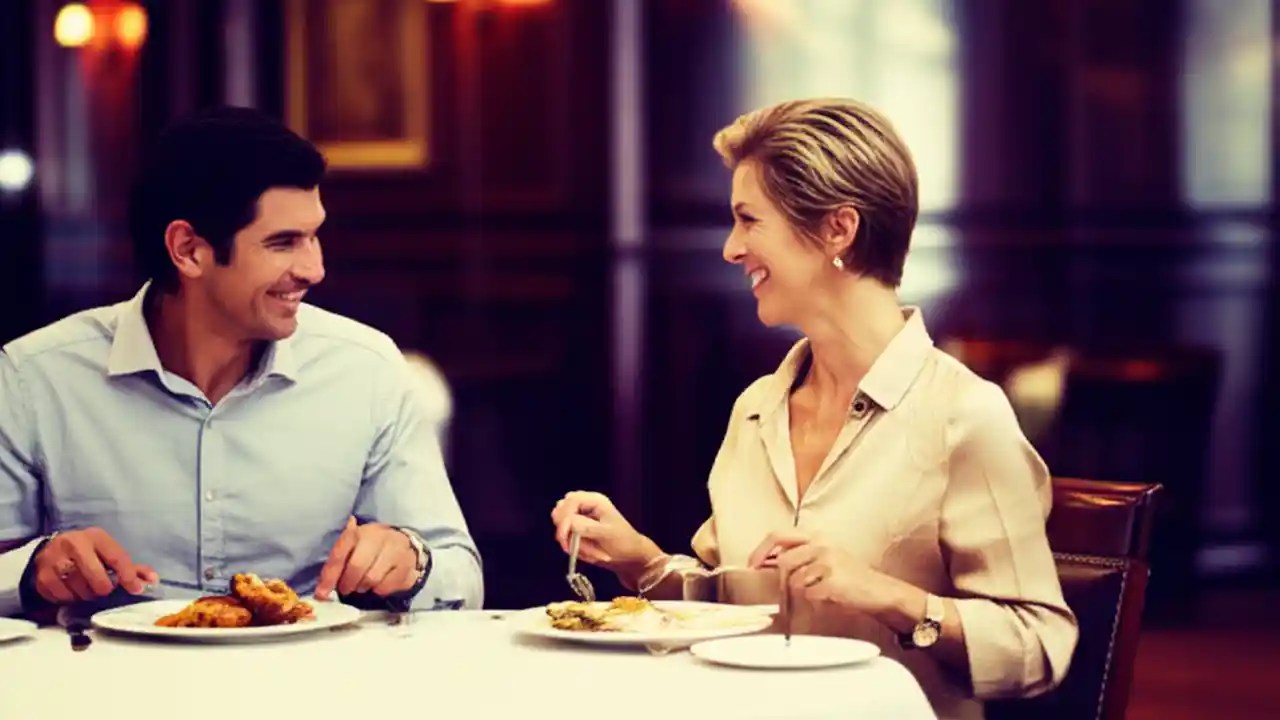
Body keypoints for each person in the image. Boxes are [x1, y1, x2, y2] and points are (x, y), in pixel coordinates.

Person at [551, 98, 1076, 719]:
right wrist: (642, 561)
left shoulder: (965, 415)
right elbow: (733, 602)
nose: (730, 248)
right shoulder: (757, 408)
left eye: (749, 221)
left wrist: (887, 597)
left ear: (838, 229)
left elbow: (1039, 649)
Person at [0, 106, 482, 618]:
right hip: (98, 689)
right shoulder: (35, 378)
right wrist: (34, 570)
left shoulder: (368, 370)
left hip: (310, 686)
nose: (314, 269)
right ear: (188, 250)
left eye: (314, 235)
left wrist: (414, 564)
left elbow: (462, 580)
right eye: (283, 243)